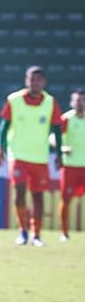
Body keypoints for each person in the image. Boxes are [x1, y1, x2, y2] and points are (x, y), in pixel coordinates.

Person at [0, 65, 62, 247]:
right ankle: (22, 231)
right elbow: (4, 126)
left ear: (44, 82)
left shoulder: (50, 102)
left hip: (40, 157)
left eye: (38, 79)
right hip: (18, 155)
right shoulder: (14, 100)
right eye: (32, 79)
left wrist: (59, 154)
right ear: (26, 80)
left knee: (38, 197)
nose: (35, 82)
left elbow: (57, 129)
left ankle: (36, 234)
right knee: (19, 193)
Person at [59, 88, 85, 241]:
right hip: (70, 166)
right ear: (71, 102)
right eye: (77, 100)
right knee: (66, 199)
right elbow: (52, 137)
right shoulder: (66, 119)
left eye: (82, 100)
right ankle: (64, 232)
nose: (80, 103)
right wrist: (62, 147)